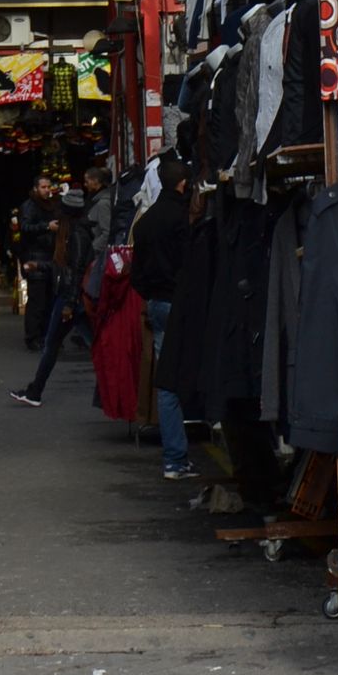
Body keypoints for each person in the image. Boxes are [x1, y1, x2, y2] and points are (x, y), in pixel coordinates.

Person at [11, 165, 109, 409]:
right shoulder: (76, 232)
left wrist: (69, 302)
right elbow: (64, 267)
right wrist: (41, 266)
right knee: (93, 345)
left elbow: (73, 270)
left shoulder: (75, 235)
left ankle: (36, 391)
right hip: (73, 298)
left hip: (69, 299)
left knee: (54, 346)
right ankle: (108, 387)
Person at [129, 155, 197, 480]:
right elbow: (191, 264)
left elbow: (136, 273)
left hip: (157, 301)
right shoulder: (184, 218)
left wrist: (149, 292)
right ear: (183, 184)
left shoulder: (145, 222)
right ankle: (182, 454)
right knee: (194, 372)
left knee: (167, 382)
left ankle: (175, 459)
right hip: (184, 302)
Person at [16, 174, 61, 351]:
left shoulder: (51, 205)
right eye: (43, 187)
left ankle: (45, 334)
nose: (47, 190)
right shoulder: (29, 206)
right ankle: (33, 336)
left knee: (49, 298)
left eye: (49, 187)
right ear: (36, 188)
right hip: (35, 256)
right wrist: (45, 227)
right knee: (36, 301)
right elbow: (25, 228)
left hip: (49, 257)